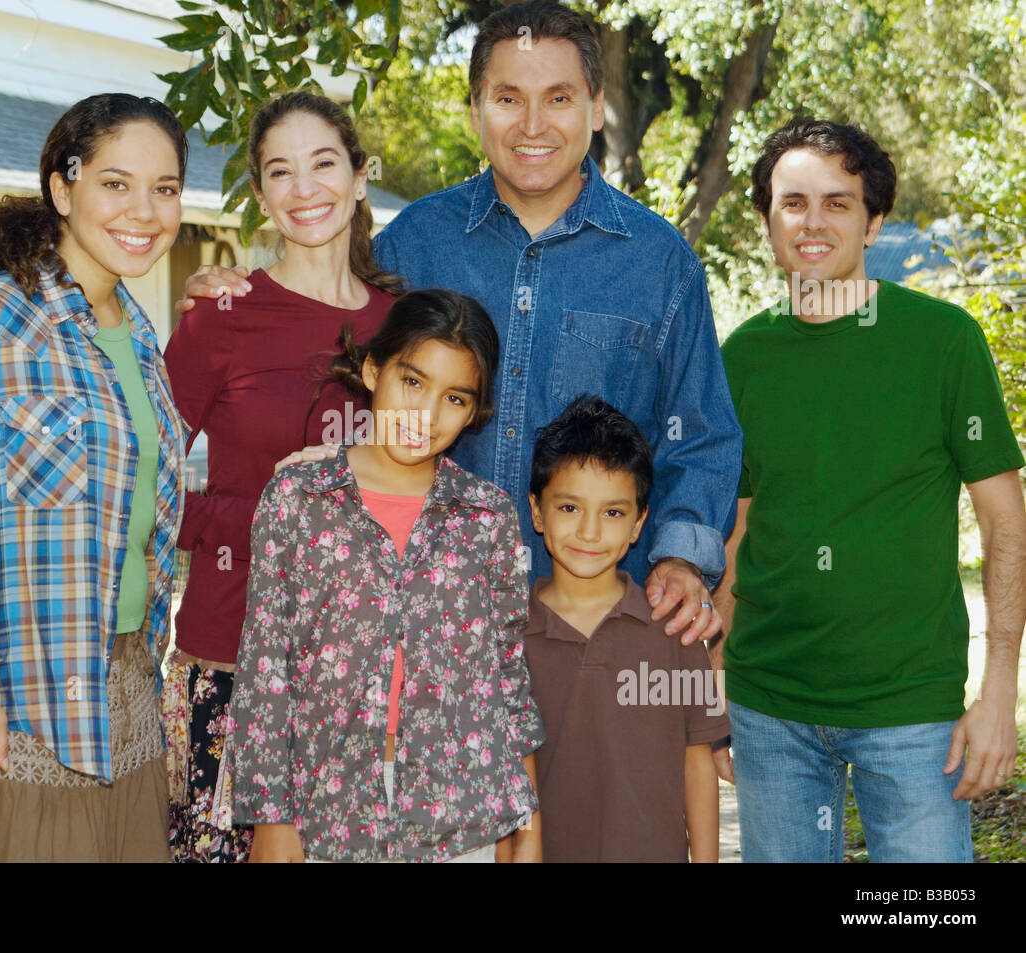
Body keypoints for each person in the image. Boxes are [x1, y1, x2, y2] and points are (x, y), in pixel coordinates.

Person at [180, 0, 742, 649]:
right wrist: (234, 300)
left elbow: (698, 436)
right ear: (476, 111)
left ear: (595, 103)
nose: (533, 124)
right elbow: (326, 343)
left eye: (559, 97)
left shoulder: (660, 262)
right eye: (508, 98)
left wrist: (678, 558)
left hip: (598, 630)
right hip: (425, 630)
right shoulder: (413, 245)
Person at [714, 117, 1026, 862]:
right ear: (766, 219)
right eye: (792, 202)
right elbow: (738, 530)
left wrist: (997, 695)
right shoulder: (743, 355)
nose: (812, 223)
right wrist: (711, 687)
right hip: (769, 706)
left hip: (910, 708)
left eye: (837, 202)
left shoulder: (942, 340)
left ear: (874, 219)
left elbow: (1006, 522)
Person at [0, 93, 188, 862]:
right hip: (14, 702)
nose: (144, 210)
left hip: (126, 696)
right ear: (63, 189)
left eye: (165, 189)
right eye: (116, 183)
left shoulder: (143, 338)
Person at [160, 91, 402, 862]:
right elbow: (143, 477)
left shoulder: (406, 327)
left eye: (324, 163)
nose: (306, 189)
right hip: (230, 650)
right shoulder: (220, 318)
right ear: (261, 195)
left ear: (361, 177)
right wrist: (245, 519)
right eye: (280, 172)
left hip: (364, 668)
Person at [224, 289, 545, 862]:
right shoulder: (299, 498)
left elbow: (506, 677)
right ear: (373, 370)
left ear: (475, 413)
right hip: (324, 810)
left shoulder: (488, 517)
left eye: (454, 398)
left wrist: (526, 823)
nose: (425, 415)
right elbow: (265, 668)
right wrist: (272, 820)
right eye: (412, 382)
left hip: (462, 818)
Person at [520, 395, 728, 862]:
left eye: (613, 512)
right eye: (569, 507)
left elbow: (698, 763)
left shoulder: (677, 626)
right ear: (536, 511)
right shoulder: (507, 634)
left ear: (639, 524)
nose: (590, 532)